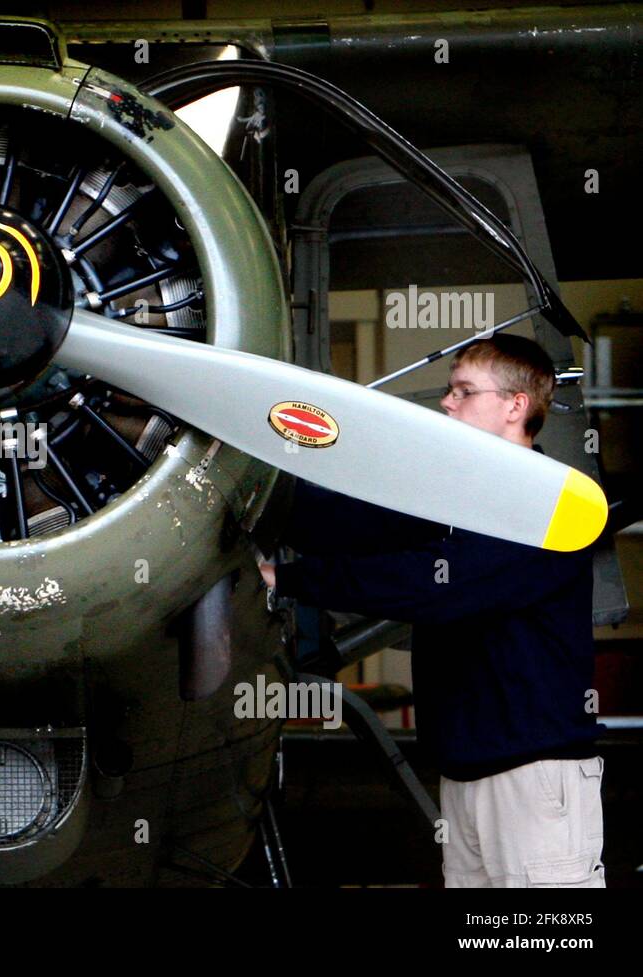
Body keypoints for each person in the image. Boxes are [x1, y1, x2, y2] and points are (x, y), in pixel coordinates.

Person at [259, 334, 606, 887]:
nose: (447, 402)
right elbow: (355, 525)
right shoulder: (457, 501)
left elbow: (431, 584)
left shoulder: (551, 505)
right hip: (466, 772)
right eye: (450, 390)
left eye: (465, 391)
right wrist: (247, 484)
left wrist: (291, 578)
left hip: (533, 777)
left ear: (516, 405)